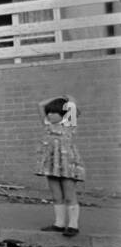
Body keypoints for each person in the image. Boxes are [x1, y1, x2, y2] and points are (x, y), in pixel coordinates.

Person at [37, 96, 85, 237]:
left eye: (54, 112)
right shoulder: (47, 125)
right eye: (49, 112)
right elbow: (40, 104)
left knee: (69, 195)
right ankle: (59, 224)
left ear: (63, 114)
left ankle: (73, 225)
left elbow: (72, 105)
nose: (50, 115)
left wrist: (67, 99)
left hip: (67, 165)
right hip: (51, 165)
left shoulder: (69, 125)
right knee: (56, 195)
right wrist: (57, 97)